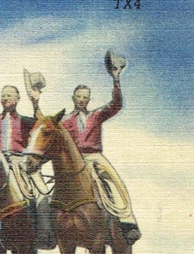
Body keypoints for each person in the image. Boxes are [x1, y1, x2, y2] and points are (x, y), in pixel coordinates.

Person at [60, 60, 140, 244]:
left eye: (85, 97)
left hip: (94, 157)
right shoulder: (64, 121)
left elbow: (116, 105)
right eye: (79, 96)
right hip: (74, 160)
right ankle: (51, 228)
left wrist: (116, 79)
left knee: (114, 181)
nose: (82, 100)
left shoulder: (96, 115)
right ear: (73, 97)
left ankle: (128, 222)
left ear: (89, 99)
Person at [0, 84, 55, 249]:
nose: (6, 98)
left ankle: (44, 233)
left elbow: (44, 126)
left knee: (41, 192)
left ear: (18, 99)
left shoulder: (26, 121)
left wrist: (36, 104)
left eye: (10, 95)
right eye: (3, 95)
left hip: (20, 161)